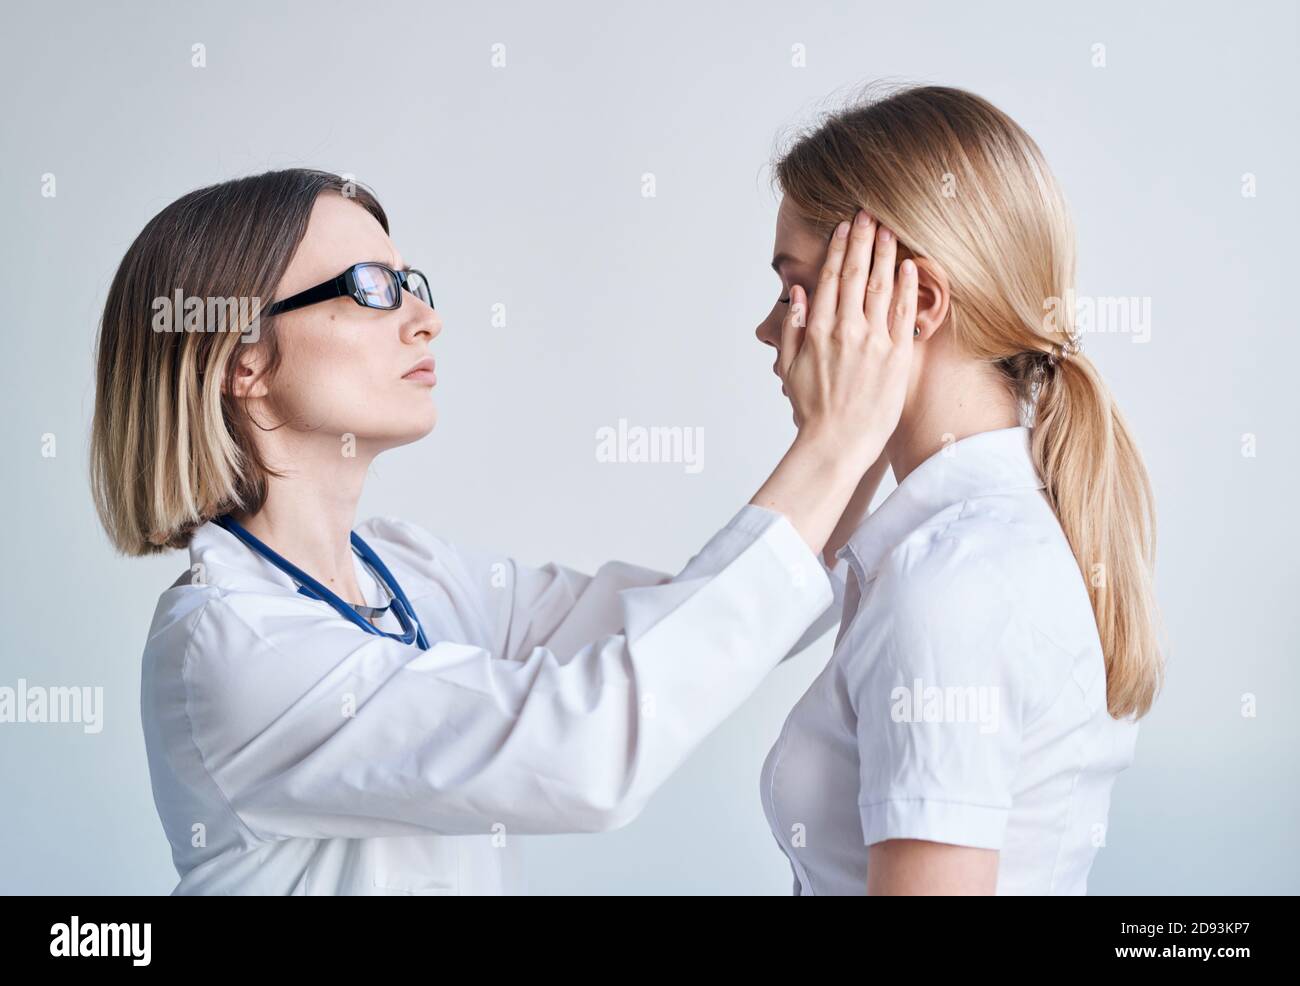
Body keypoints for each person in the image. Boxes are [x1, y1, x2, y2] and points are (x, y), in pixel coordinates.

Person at [89, 168, 916, 894]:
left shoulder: (412, 574)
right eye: (372, 288)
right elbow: (587, 749)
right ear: (245, 362)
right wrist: (837, 435)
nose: (424, 320)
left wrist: (870, 413)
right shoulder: (229, 644)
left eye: (414, 283)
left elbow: (712, 620)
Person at [753, 84, 1165, 895]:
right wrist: (842, 446)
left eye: (793, 285)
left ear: (916, 305)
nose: (769, 329)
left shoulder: (948, 583)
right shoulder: (973, 543)